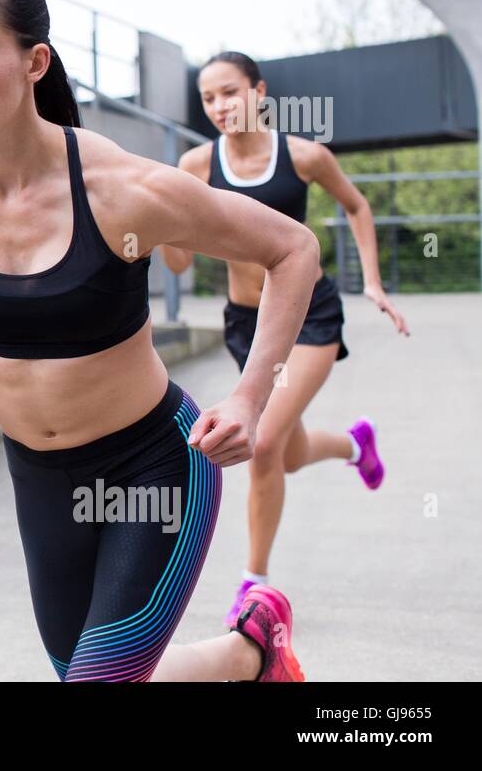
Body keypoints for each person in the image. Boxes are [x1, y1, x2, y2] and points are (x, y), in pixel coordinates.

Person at [0, 0, 319, 681]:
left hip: (154, 465)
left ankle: (252, 650)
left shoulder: (121, 190)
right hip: (42, 483)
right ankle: (252, 653)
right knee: (92, 673)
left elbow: (292, 248)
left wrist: (249, 396)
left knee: (98, 679)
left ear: (34, 62)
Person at [159, 51, 410, 627]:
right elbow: (175, 264)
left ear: (260, 92)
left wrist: (371, 281)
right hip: (246, 326)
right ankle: (355, 446)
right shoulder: (196, 163)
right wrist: (160, 229)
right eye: (208, 99)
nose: (220, 107)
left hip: (308, 320)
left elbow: (356, 205)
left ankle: (255, 588)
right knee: (288, 452)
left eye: (231, 93)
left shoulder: (303, 156)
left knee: (265, 442)